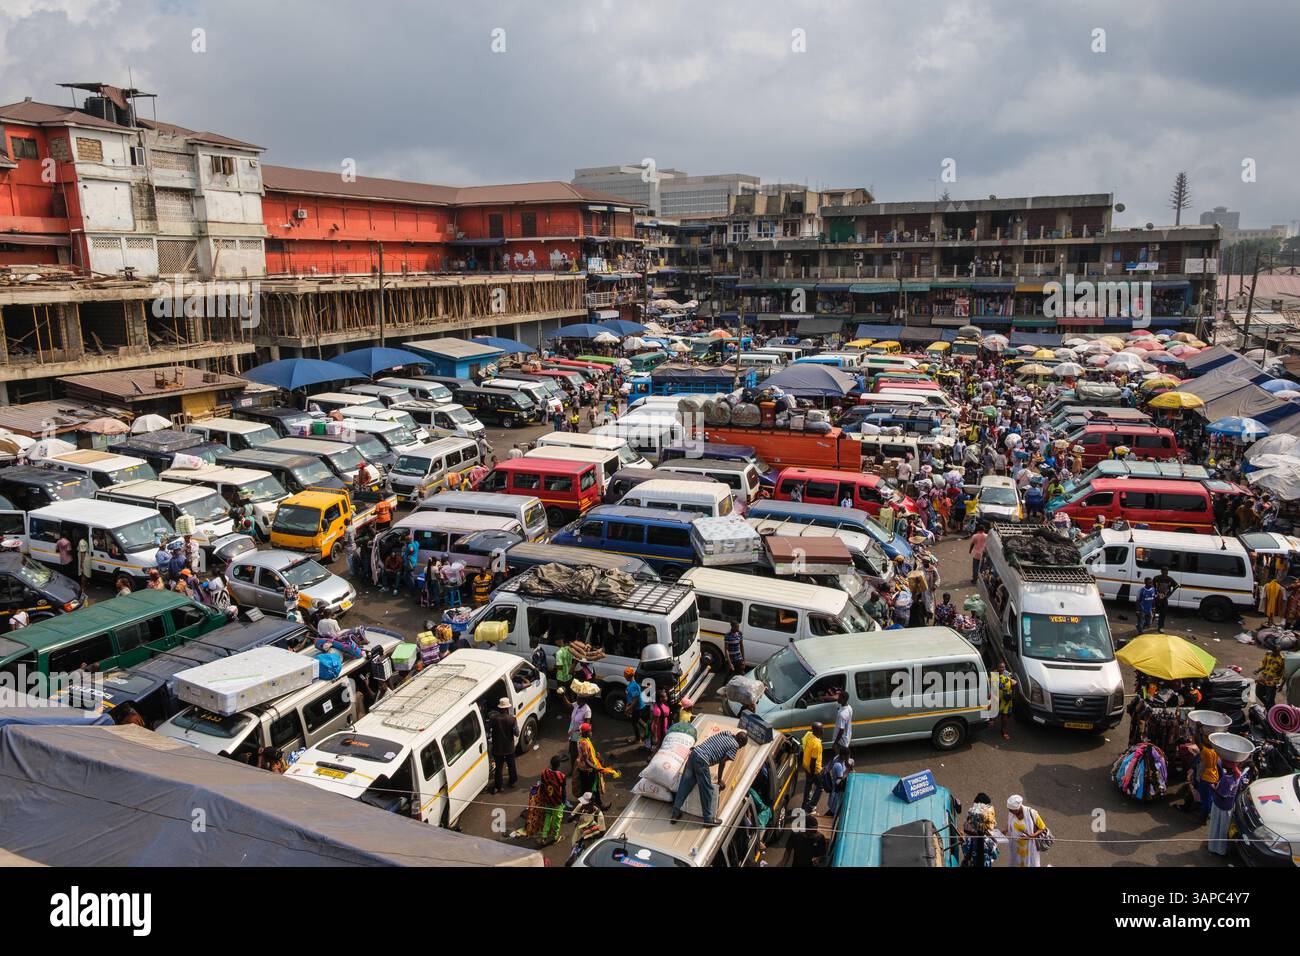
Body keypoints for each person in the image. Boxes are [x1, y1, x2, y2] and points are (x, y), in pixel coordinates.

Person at [670, 731, 748, 826]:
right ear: (740, 741)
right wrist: (719, 780)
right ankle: (708, 820)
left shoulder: (726, 733)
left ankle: (675, 813)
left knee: (684, 785)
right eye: (742, 745)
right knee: (707, 790)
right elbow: (723, 761)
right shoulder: (735, 745)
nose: (740, 748)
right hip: (702, 760)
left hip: (695, 753)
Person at [522, 755, 567, 846]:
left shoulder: (544, 772)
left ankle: (544, 836)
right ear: (559, 765)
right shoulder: (561, 776)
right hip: (557, 802)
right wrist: (563, 801)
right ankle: (555, 837)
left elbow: (542, 786)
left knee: (547, 817)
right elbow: (564, 791)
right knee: (557, 820)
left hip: (547, 799)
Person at [1207, 761, 1247, 856]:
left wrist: (1212, 786)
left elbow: (1222, 793)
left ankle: (1214, 849)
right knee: (1223, 830)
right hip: (1228, 806)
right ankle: (1220, 850)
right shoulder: (1237, 776)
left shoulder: (1228, 779)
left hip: (1220, 806)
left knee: (1216, 827)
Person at [573, 723, 614, 810]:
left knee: (592, 788)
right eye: (589, 731)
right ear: (585, 733)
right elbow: (586, 760)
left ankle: (596, 804)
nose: (591, 733)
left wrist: (596, 757)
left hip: (589, 769)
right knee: (588, 789)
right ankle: (587, 807)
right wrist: (597, 768)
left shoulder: (585, 739)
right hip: (587, 770)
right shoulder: (584, 743)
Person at [1004, 794, 1047, 867]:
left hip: (1029, 847)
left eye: (1012, 810)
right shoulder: (1012, 813)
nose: (1010, 811)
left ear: (1018, 808)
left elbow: (1042, 828)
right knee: (1016, 863)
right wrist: (1004, 831)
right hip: (1016, 846)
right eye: (1009, 810)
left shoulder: (1032, 813)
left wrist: (1031, 836)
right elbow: (1009, 823)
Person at [487, 696, 519, 794]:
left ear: (500, 708)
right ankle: (512, 782)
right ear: (507, 708)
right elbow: (516, 733)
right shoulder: (512, 719)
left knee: (499, 768)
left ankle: (499, 786)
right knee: (511, 765)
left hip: (498, 748)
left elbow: (488, 732)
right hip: (509, 747)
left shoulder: (493, 719)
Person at [801, 722, 825, 813]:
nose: (823, 730)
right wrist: (812, 773)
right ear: (818, 730)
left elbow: (803, 743)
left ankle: (804, 804)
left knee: (808, 786)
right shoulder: (817, 744)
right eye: (822, 728)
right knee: (820, 788)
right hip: (814, 770)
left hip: (805, 766)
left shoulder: (809, 734)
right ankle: (810, 807)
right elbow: (813, 761)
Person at [995, 663, 1017, 741]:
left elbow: (1014, 682)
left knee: (1008, 715)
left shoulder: (1008, 674)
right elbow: (993, 686)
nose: (1002, 669)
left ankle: (1002, 728)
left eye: (1003, 667)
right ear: (997, 667)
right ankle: (1004, 732)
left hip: (1008, 698)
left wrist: (1013, 682)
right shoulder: (994, 675)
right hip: (999, 697)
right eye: (1000, 667)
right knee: (1003, 715)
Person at [1151, 567, 1178, 631]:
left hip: (1164, 598)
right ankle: (1147, 624)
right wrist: (1155, 594)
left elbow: (1176, 585)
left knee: (1163, 612)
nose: (1166, 573)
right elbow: (1152, 586)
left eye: (1167, 571)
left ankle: (1160, 626)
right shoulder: (1157, 578)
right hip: (1156, 598)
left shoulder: (1170, 579)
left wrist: (1169, 594)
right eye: (1164, 571)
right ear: (1161, 571)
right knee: (1153, 611)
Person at [826, 750, 852, 816]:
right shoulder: (838, 766)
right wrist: (848, 770)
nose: (848, 758)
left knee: (834, 811)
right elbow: (839, 782)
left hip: (836, 792)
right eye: (848, 757)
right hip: (837, 793)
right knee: (834, 812)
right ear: (843, 756)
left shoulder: (837, 758)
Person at [832, 690, 853, 756]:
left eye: (839, 697)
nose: (837, 698)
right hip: (846, 737)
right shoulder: (849, 707)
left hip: (841, 741)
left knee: (839, 758)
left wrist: (835, 742)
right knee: (843, 757)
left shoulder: (843, 714)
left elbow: (841, 730)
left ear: (843, 699)